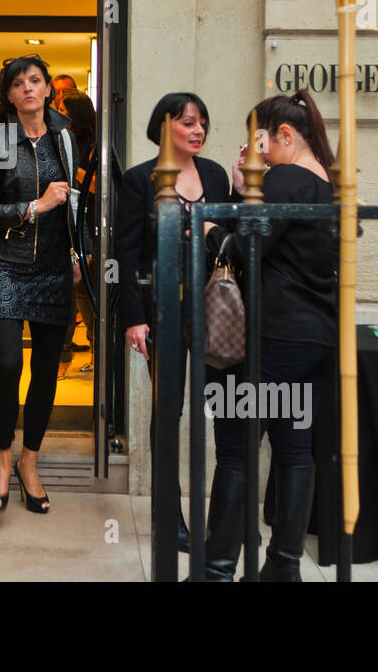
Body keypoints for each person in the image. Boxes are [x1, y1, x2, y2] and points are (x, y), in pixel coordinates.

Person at [201, 89, 336, 581]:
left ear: (283, 135)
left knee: (236, 450)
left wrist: (212, 229)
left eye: (256, 140)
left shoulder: (285, 177)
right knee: (295, 449)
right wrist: (243, 189)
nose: (253, 150)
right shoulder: (329, 183)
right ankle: (284, 567)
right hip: (316, 337)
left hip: (270, 337)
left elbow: (246, 249)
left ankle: (216, 570)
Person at [116, 92, 230, 552]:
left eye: (202, 122)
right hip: (161, 309)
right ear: (165, 127)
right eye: (188, 122)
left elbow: (232, 237)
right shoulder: (139, 180)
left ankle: (222, 512)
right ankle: (170, 514)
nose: (198, 130)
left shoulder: (219, 176)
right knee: (169, 410)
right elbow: (124, 253)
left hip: (214, 310)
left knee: (224, 406)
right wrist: (134, 318)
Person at [0, 55, 78, 514]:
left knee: (47, 371)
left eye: (36, 81)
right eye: (19, 83)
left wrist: (77, 253)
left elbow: (76, 205)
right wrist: (35, 207)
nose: (29, 88)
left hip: (54, 267)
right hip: (4, 265)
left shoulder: (64, 137)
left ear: (48, 88)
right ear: (9, 94)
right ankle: (2, 456)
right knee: (9, 364)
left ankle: (28, 462)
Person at [59, 90, 97, 368]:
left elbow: (96, 185)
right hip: (65, 218)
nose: (58, 112)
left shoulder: (95, 144)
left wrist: (71, 171)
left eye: (62, 107)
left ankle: (98, 352)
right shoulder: (61, 140)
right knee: (67, 293)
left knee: (86, 290)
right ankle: (62, 359)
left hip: (90, 221)